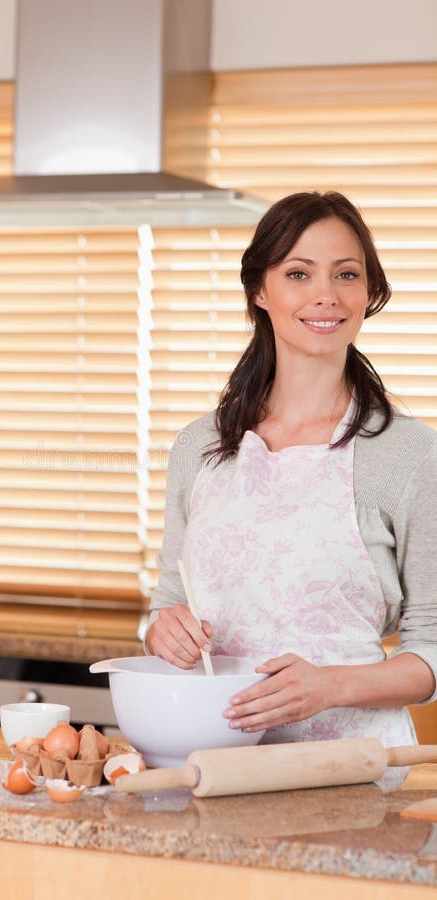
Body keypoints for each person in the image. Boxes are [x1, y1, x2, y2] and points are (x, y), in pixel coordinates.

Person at [146, 190, 437, 748]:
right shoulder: (200, 446)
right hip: (212, 757)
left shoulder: (409, 454)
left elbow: (431, 651)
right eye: (299, 274)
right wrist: (164, 632)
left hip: (349, 774)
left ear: (369, 291)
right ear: (260, 290)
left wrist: (329, 686)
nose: (325, 296)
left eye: (346, 274)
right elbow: (166, 606)